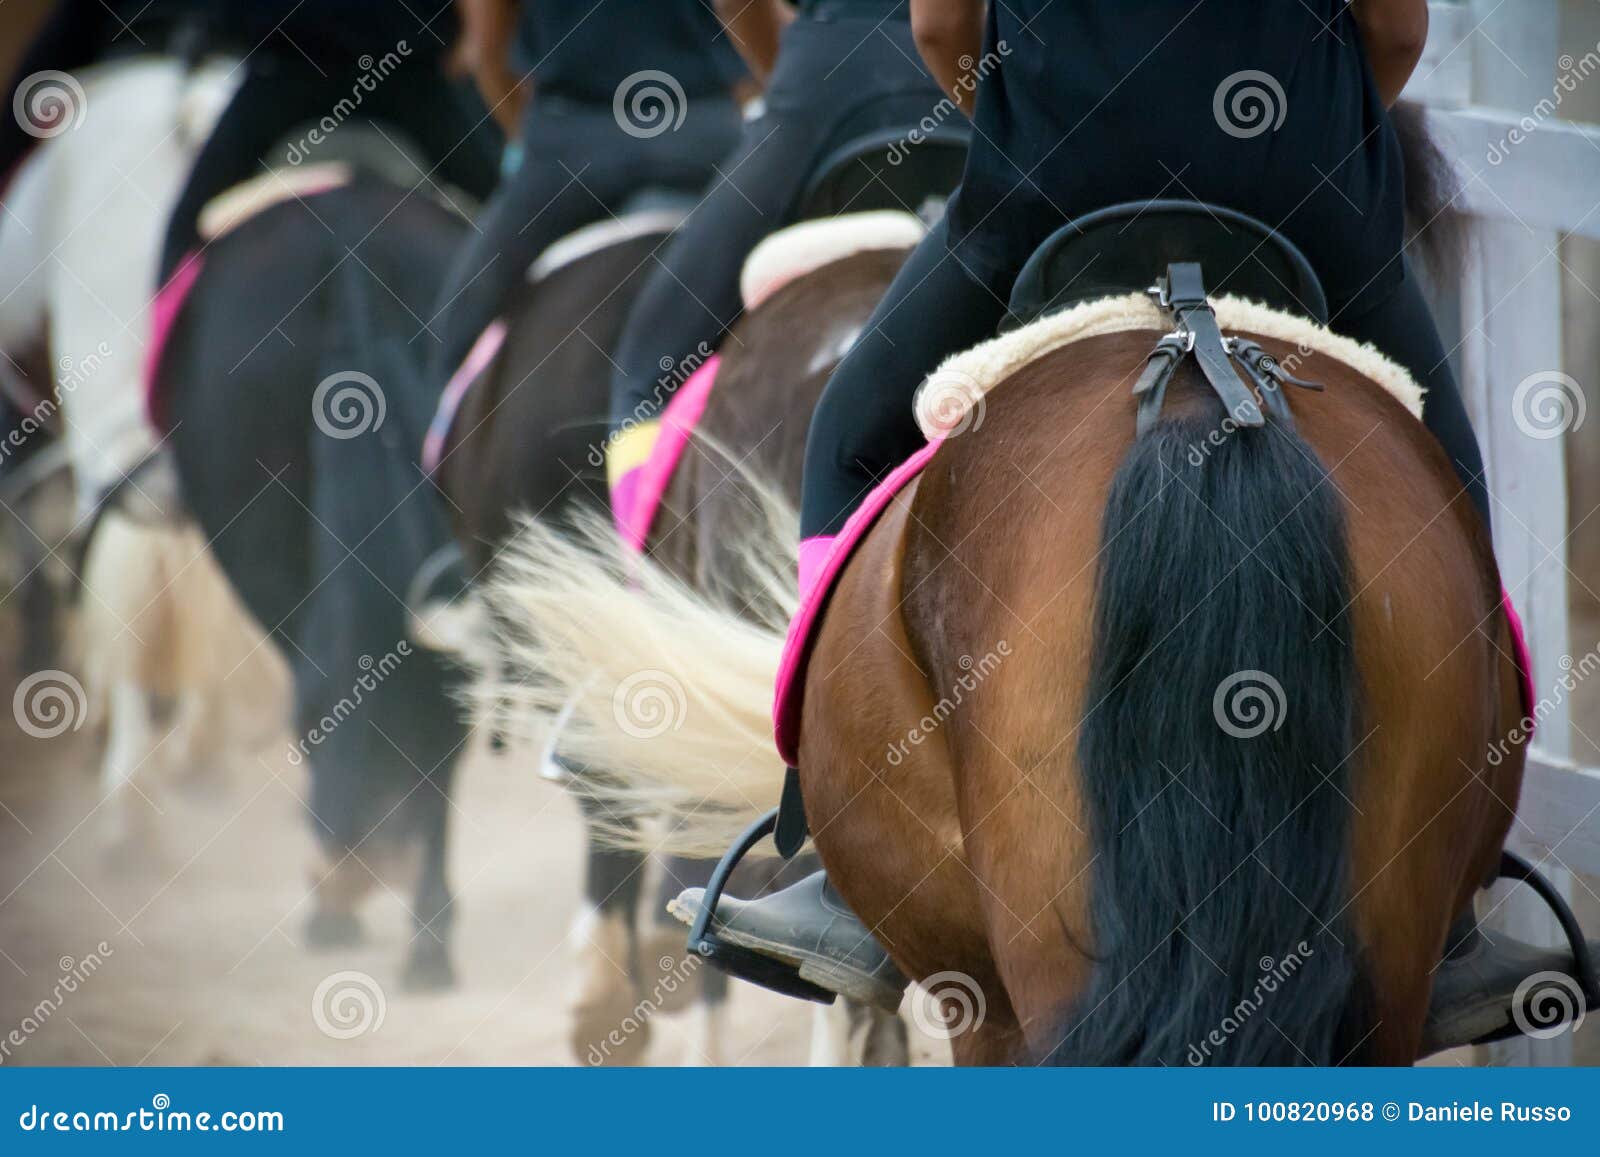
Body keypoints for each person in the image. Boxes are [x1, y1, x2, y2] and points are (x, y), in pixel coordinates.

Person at [677, 0, 1533, 1020]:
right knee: (1445, 486)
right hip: (1305, 191)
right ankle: (1458, 900)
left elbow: (943, 26)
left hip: (1050, 184)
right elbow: (1393, 32)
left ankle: (837, 842)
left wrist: (1031, 105)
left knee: (847, 441)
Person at [605, 0, 946, 480]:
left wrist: (797, 71)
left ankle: (637, 548)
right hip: (981, 74)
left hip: (823, 81)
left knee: (645, 379)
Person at [427, 0, 751, 392]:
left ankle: (441, 431)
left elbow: (489, 53)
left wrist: (528, 136)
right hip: (700, 134)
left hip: (570, 143)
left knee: (458, 323)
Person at [156, 1, 504, 286]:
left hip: (291, 71)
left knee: (185, 233)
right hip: (404, 70)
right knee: (505, 207)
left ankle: (161, 356)